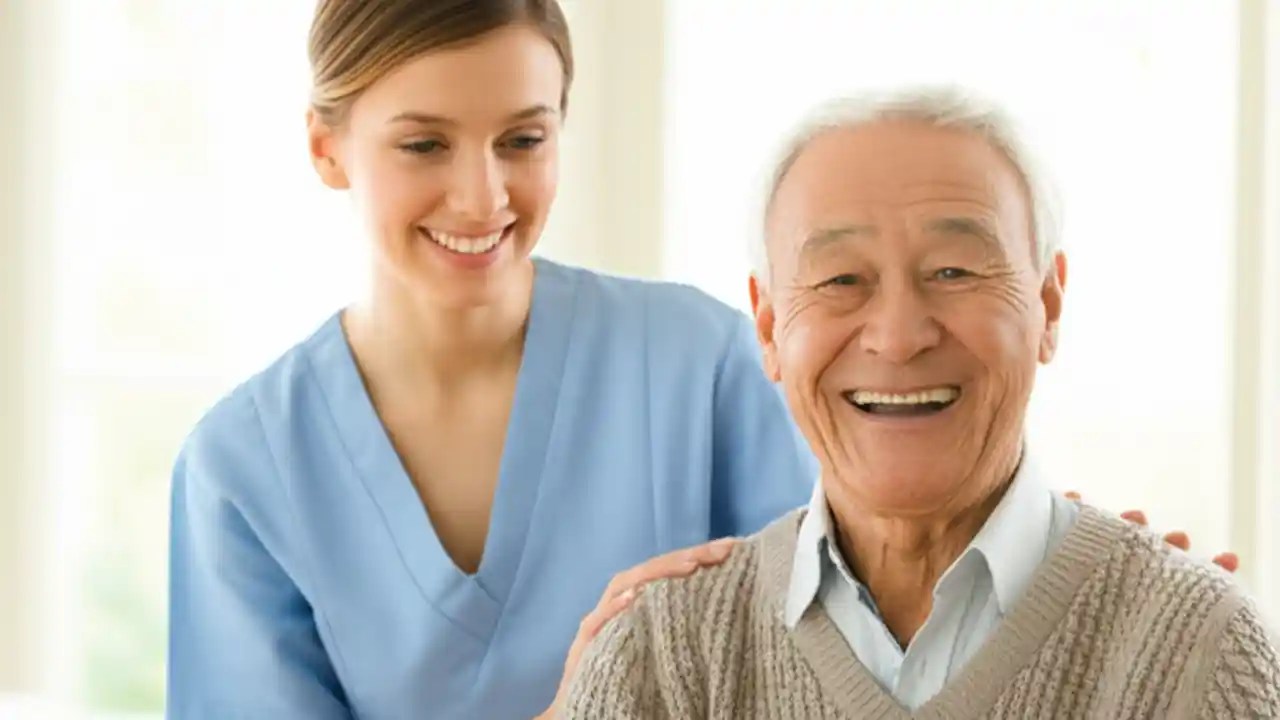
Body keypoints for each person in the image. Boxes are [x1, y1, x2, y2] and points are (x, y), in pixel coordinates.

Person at [165, 3, 1236, 718]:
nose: (483, 196)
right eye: (423, 144)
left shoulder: (695, 360)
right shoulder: (245, 472)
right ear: (324, 147)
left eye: (524, 140)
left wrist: (1090, 585)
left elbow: (890, 583)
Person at [562, 86, 1280, 718]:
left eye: (953, 270)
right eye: (841, 279)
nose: (899, 336)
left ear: (1048, 305)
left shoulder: (1199, 651)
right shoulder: (660, 656)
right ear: (771, 326)